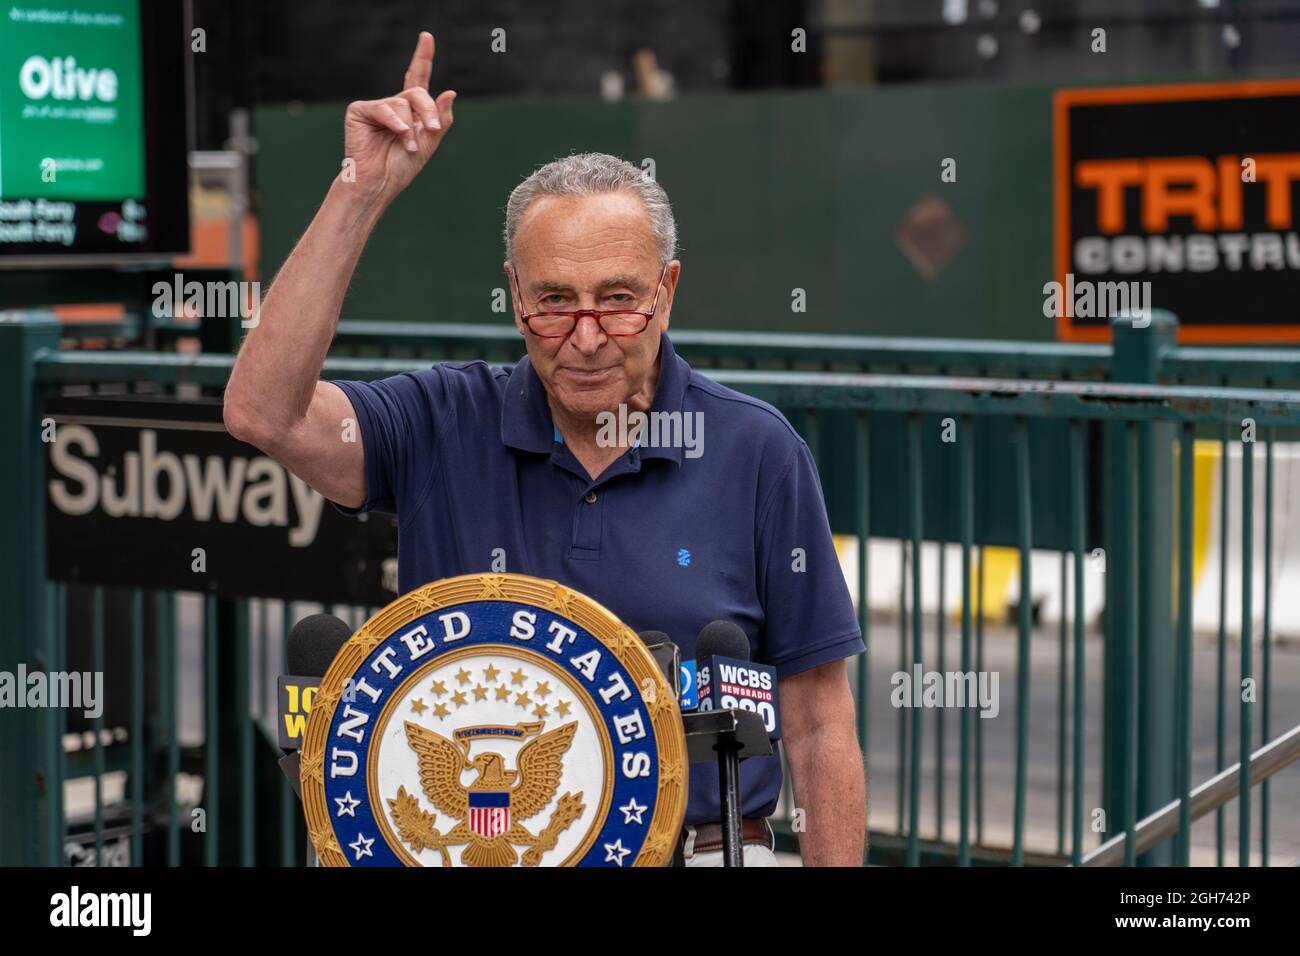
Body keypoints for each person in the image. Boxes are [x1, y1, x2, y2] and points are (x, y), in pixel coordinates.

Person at [224, 31, 865, 866]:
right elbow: (263, 412)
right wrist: (360, 192)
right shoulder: (441, 421)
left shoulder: (756, 452)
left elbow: (819, 722)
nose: (587, 337)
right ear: (513, 292)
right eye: (554, 302)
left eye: (619, 301)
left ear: (667, 293)